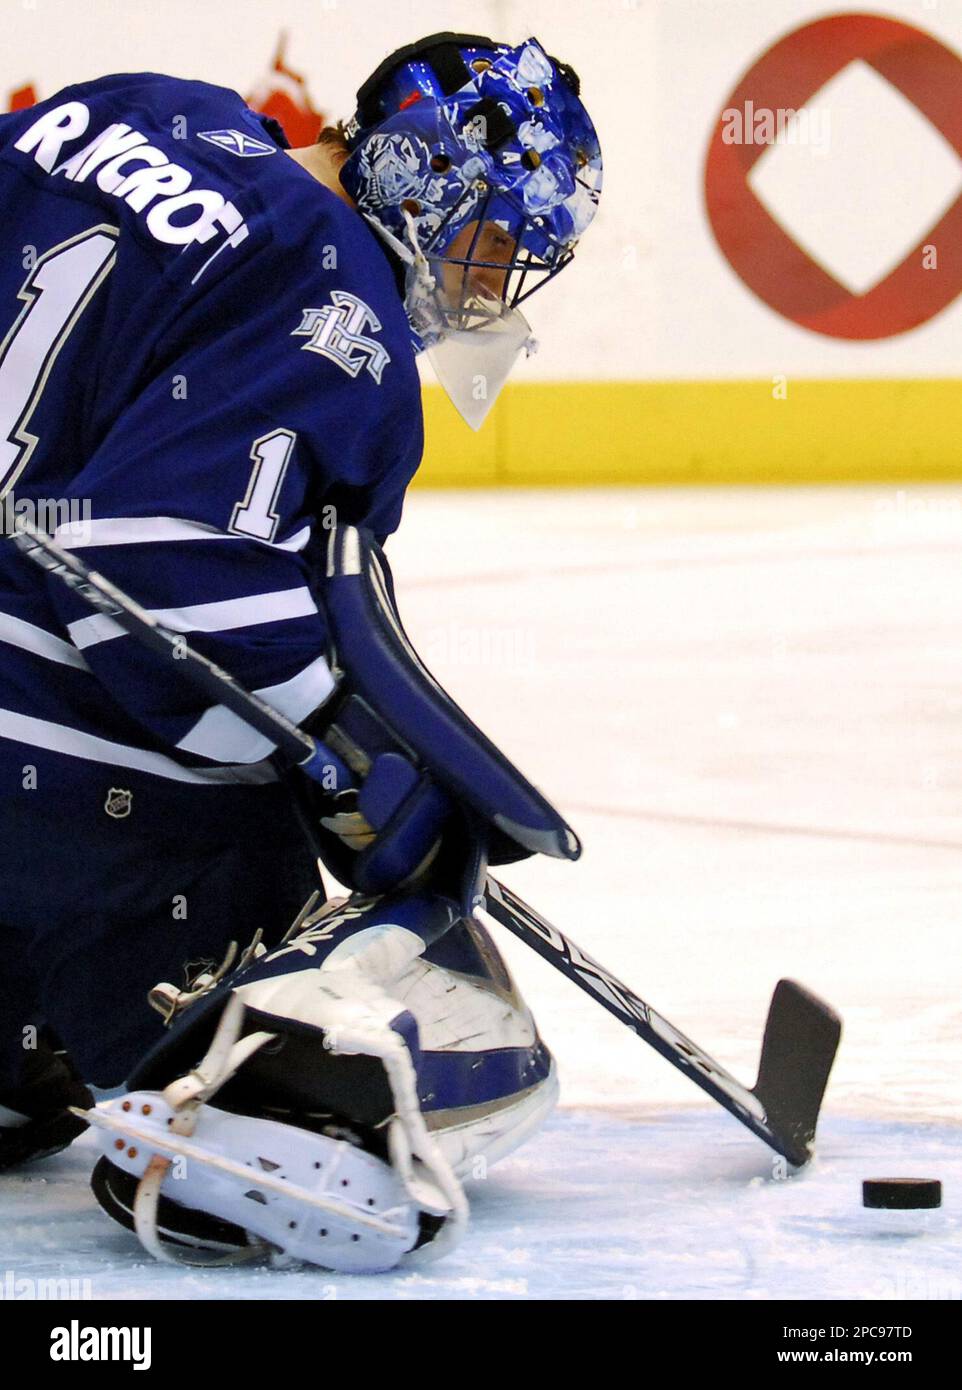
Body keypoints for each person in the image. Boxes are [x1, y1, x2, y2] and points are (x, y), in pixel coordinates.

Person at [0, 32, 602, 1269]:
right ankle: (224, 1123)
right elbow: (157, 571)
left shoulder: (125, 111)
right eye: (487, 243)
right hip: (60, 782)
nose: (482, 289)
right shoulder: (340, 301)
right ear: (420, 177)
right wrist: (341, 761)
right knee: (353, 966)